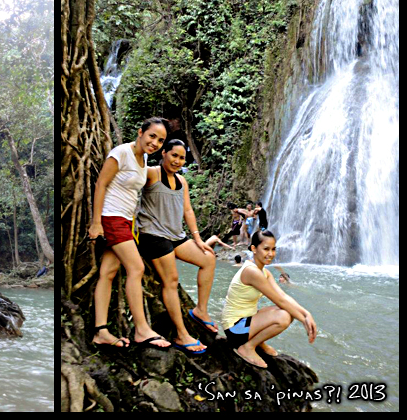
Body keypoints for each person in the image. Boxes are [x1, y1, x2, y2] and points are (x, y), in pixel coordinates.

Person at [88, 119, 172, 350]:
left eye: (160, 140)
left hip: (125, 221)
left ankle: (101, 331)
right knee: (137, 268)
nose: (154, 143)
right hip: (111, 218)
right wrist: (96, 223)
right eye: (152, 136)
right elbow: (101, 185)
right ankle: (142, 330)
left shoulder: (143, 159)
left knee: (108, 272)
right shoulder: (121, 153)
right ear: (140, 132)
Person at [136, 137, 218, 355]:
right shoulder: (151, 173)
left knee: (209, 259)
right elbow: (130, 185)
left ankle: (201, 310)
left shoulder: (182, 181)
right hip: (152, 235)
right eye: (174, 155)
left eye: (182, 158)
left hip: (176, 236)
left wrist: (198, 239)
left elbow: (188, 210)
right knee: (171, 280)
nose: (178, 161)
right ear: (163, 153)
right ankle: (181, 334)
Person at [221, 228, 317, 368]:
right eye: (266, 249)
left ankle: (258, 341)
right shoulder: (251, 271)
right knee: (284, 317)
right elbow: (279, 300)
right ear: (254, 248)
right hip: (235, 328)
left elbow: (283, 295)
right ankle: (248, 347)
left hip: (245, 321)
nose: (271, 254)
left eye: (273, 249)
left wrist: (307, 314)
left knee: (285, 311)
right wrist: (304, 320)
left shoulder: (264, 272)